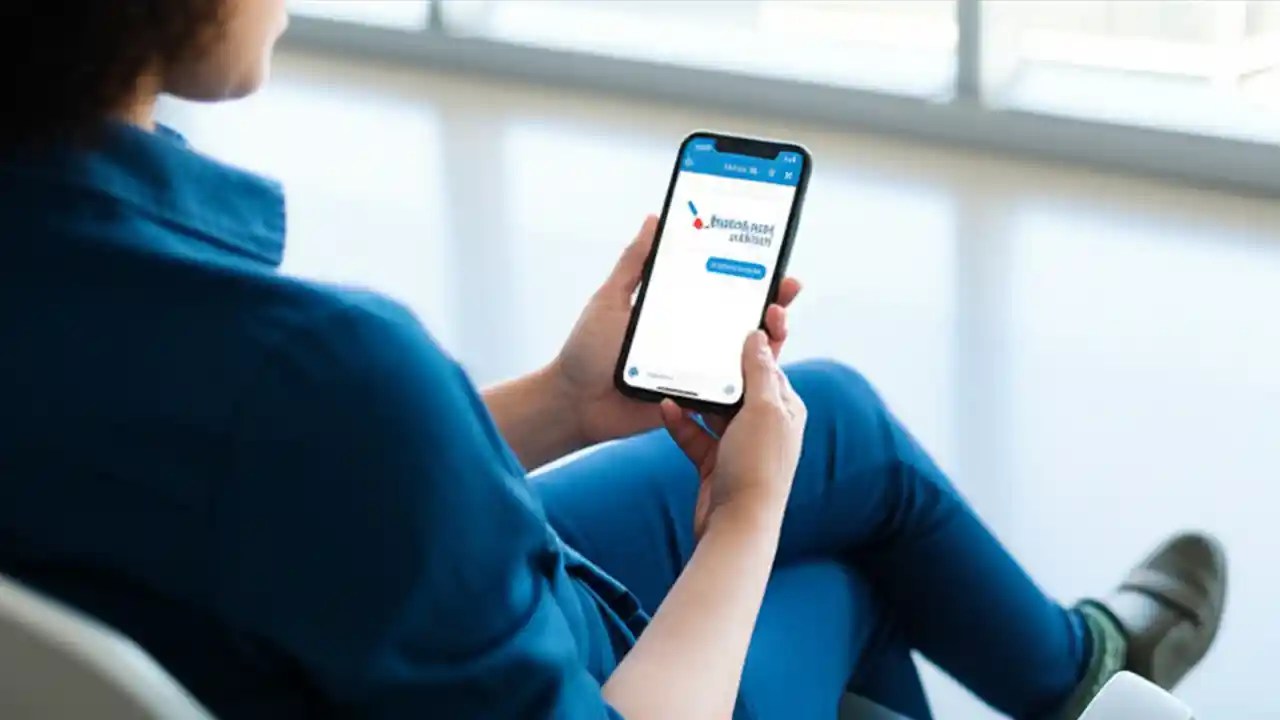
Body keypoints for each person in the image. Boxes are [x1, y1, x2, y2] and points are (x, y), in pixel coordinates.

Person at [0, 2, 1227, 719]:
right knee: (846, 568)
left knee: (835, 422)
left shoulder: (212, 354)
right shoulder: (326, 376)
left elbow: (251, 479)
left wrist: (562, 406)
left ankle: (1073, 660)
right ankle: (1077, 673)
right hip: (547, 670)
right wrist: (742, 518)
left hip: (316, 633)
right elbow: (310, 436)